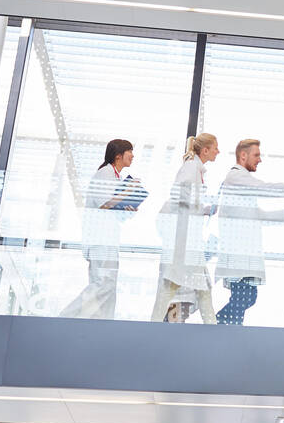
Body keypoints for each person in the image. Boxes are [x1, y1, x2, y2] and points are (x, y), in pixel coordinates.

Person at [215, 137, 284, 326]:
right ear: (243, 155)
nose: (259, 160)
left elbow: (257, 214)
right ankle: (218, 323)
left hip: (243, 252)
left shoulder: (241, 180)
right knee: (246, 296)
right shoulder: (236, 177)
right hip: (238, 252)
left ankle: (225, 326)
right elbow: (265, 189)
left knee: (246, 296)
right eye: (256, 155)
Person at [60, 139, 144, 319]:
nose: (133, 155)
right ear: (118, 155)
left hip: (109, 238)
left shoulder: (116, 177)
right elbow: (104, 202)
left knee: (109, 286)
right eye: (130, 151)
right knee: (102, 283)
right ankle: (67, 317)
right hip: (100, 239)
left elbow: (113, 207)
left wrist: (128, 206)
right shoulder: (104, 173)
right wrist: (128, 191)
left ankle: (101, 325)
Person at [151, 134, 220, 324]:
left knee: (202, 289)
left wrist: (202, 210)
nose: (218, 151)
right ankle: (152, 328)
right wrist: (196, 207)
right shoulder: (190, 167)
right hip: (183, 245)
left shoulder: (196, 169)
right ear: (205, 150)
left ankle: (212, 328)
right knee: (171, 289)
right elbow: (178, 194)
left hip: (188, 244)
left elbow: (186, 202)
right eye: (215, 147)